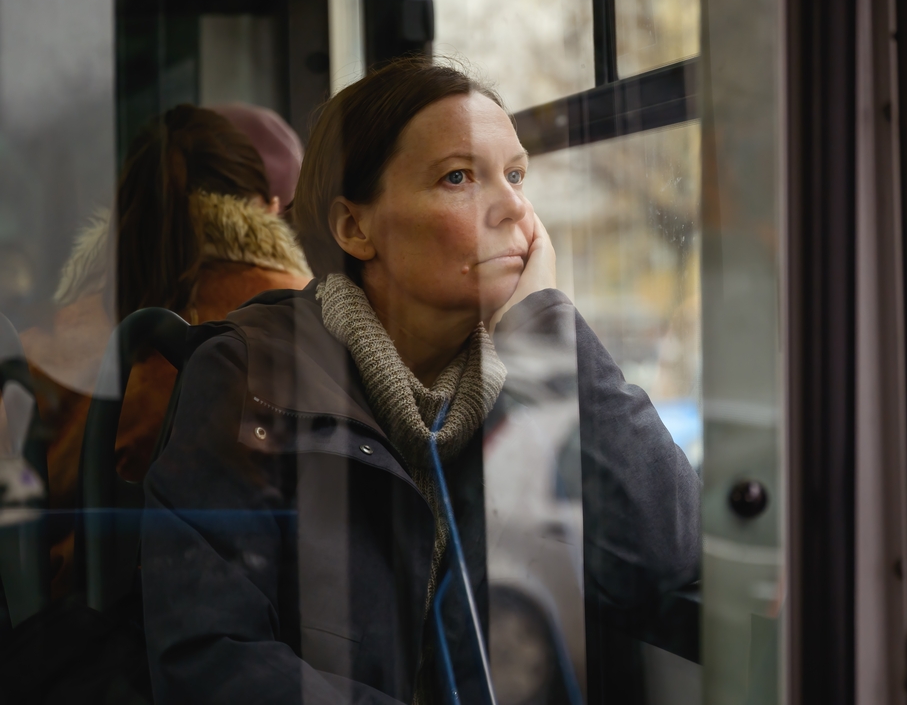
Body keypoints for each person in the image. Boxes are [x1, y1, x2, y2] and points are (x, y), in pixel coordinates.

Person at [140, 58, 701, 704]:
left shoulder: (535, 369)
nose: (515, 208)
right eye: (459, 177)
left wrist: (545, 330)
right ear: (355, 228)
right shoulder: (250, 374)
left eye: (516, 175)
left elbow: (669, 553)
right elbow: (209, 656)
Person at [20, 104, 311, 598]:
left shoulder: (45, 343)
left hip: (63, 638)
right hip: (251, 628)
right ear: (270, 210)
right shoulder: (307, 321)